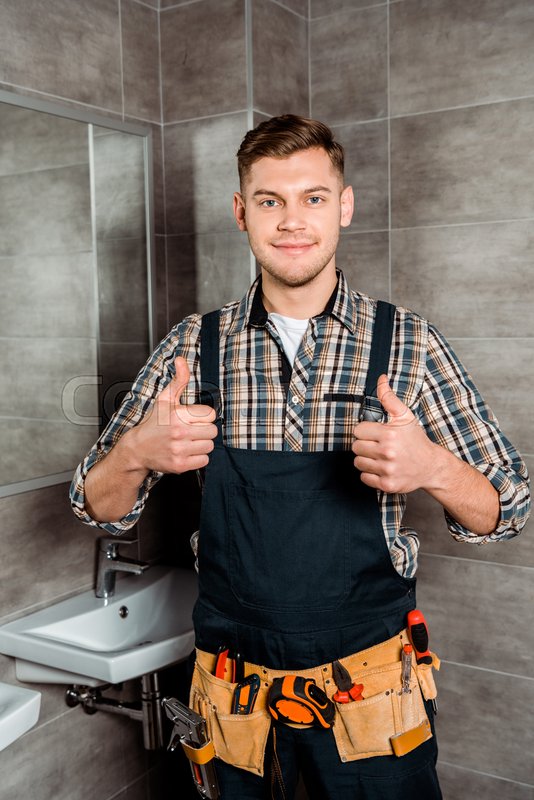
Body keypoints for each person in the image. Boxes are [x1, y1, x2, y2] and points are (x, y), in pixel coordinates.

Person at [70, 115, 530, 800]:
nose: (292, 221)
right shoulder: (193, 347)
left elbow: (509, 507)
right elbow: (96, 506)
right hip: (233, 697)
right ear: (240, 212)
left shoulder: (409, 343)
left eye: (313, 197)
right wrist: (137, 450)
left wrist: (433, 467)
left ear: (344, 206)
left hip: (371, 694)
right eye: (269, 200)